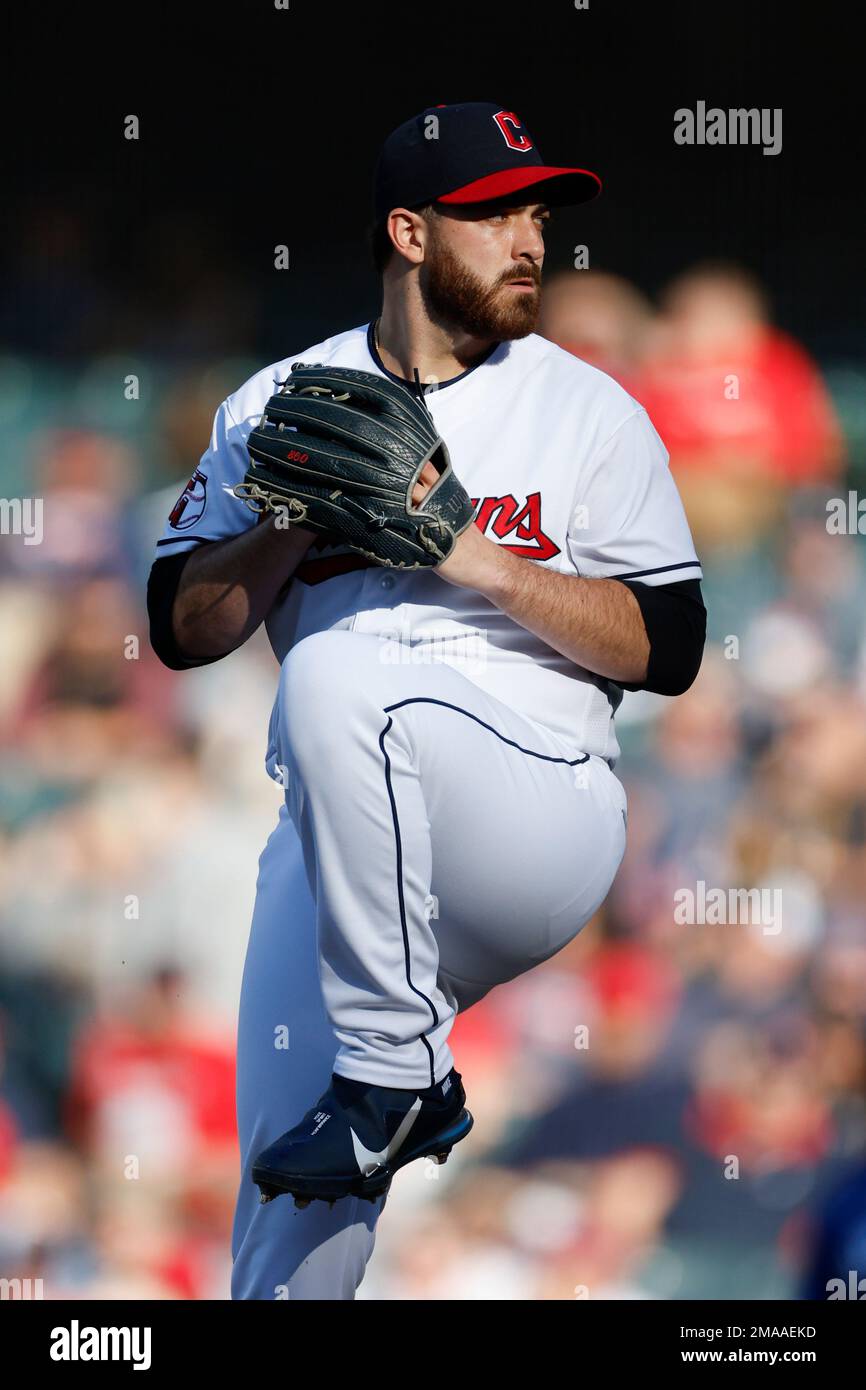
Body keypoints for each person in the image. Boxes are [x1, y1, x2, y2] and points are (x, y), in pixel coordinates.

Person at [147, 101, 706, 1300]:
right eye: (494, 213)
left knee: (345, 676)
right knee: (286, 1211)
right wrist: (287, 528)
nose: (529, 239)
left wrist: (471, 555)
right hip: (340, 834)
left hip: (532, 805)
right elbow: (181, 628)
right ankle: (379, 1081)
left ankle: (396, 1075)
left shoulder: (587, 410)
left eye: (537, 213)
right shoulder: (279, 401)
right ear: (408, 231)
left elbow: (669, 646)